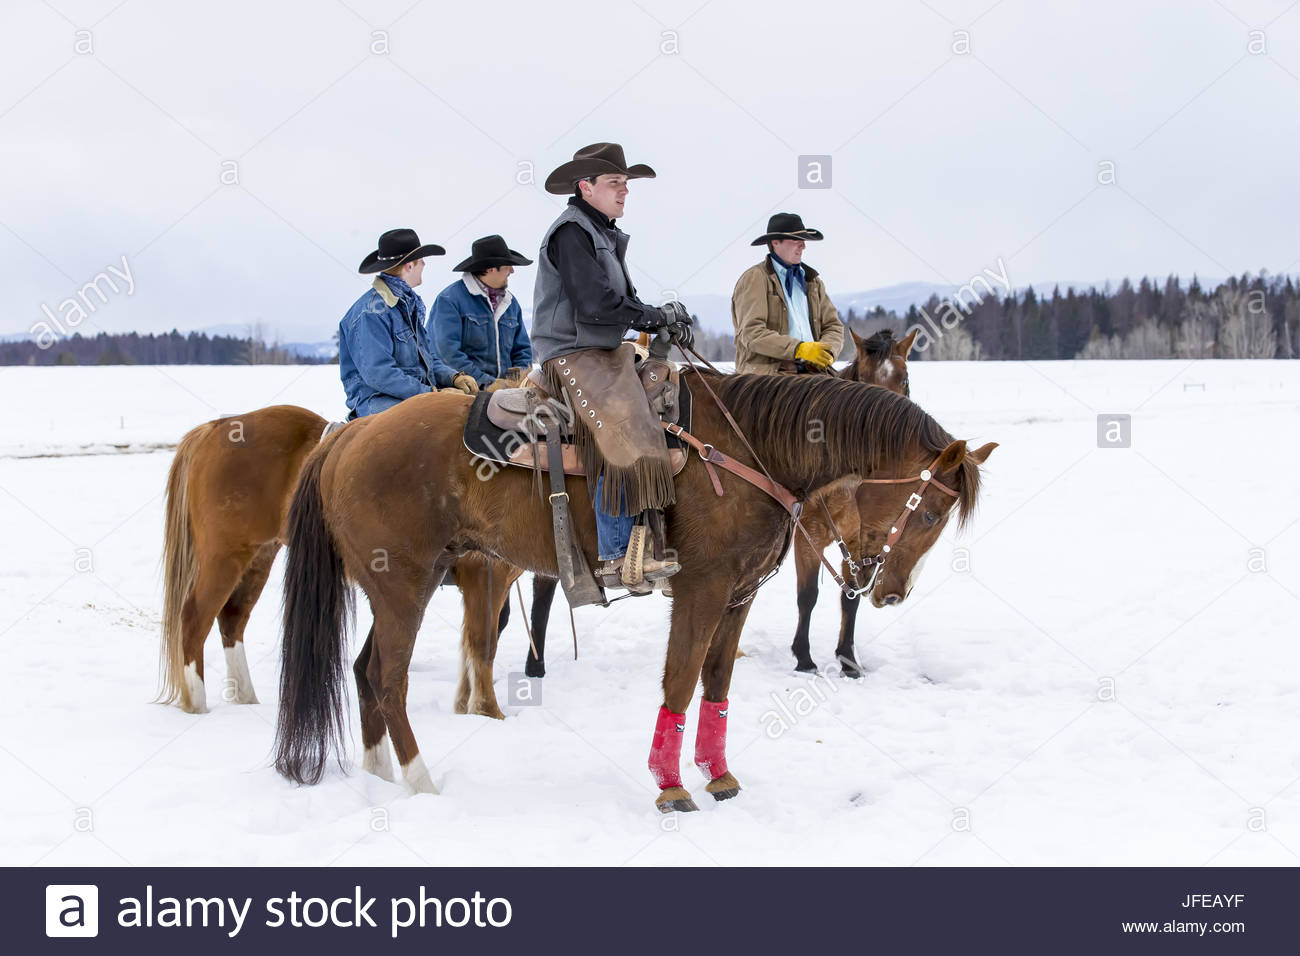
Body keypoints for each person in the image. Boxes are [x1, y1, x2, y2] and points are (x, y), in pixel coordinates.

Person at [531, 143, 694, 592]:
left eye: (626, 184)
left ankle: (654, 538)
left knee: (667, 396)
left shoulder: (599, 231)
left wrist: (659, 317)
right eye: (615, 183)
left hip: (602, 351)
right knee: (621, 426)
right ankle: (617, 554)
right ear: (586, 187)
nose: (625, 192)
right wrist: (653, 317)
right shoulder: (571, 232)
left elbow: (616, 302)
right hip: (572, 351)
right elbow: (596, 304)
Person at [338, 228, 478, 419]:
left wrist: (453, 377)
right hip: (377, 404)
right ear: (409, 266)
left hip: (408, 399)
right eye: (421, 261)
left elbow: (428, 361)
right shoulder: (371, 312)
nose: (424, 264)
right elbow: (380, 374)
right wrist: (433, 396)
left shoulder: (406, 306)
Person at [731, 212, 845, 374]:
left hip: (814, 373)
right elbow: (752, 333)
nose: (803, 246)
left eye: (803, 241)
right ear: (776, 242)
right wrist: (798, 349)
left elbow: (833, 326)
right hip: (770, 376)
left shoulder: (812, 281)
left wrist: (827, 351)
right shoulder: (755, 278)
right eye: (796, 241)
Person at [430, 235, 534, 388]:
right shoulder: (450, 300)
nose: (512, 271)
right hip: (464, 391)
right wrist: (487, 383)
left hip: (503, 392)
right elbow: (447, 354)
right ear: (490, 269)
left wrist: (511, 382)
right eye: (507, 266)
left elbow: (522, 351)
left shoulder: (511, 303)